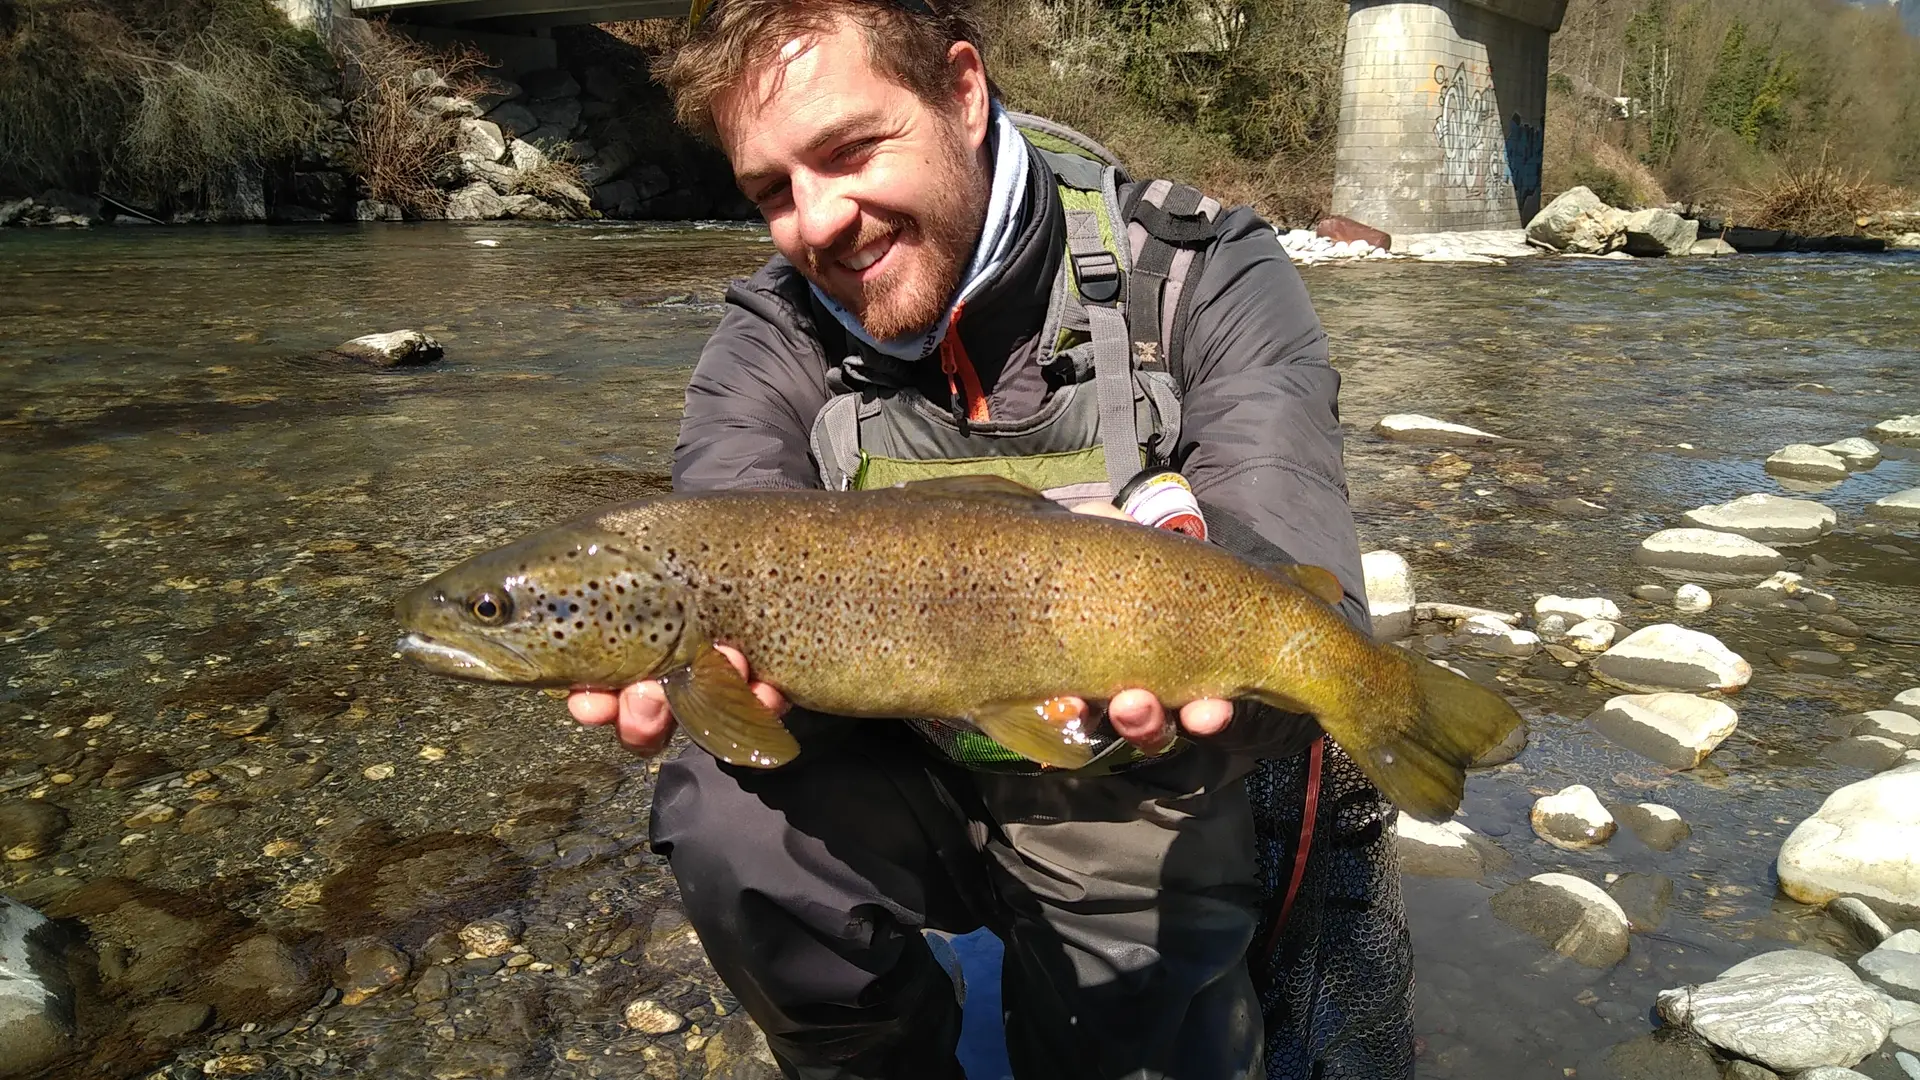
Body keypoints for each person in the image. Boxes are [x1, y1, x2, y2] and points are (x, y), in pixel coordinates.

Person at [567, 0, 1415, 1076]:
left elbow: (1297, 567)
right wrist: (718, 674)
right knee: (723, 814)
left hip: (1138, 778)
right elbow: (723, 530)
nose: (817, 220)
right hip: (893, 771)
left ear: (963, 93)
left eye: (850, 150)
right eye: (773, 190)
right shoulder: (769, 337)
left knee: (1137, 1030)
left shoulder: (1200, 271)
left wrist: (1197, 657)